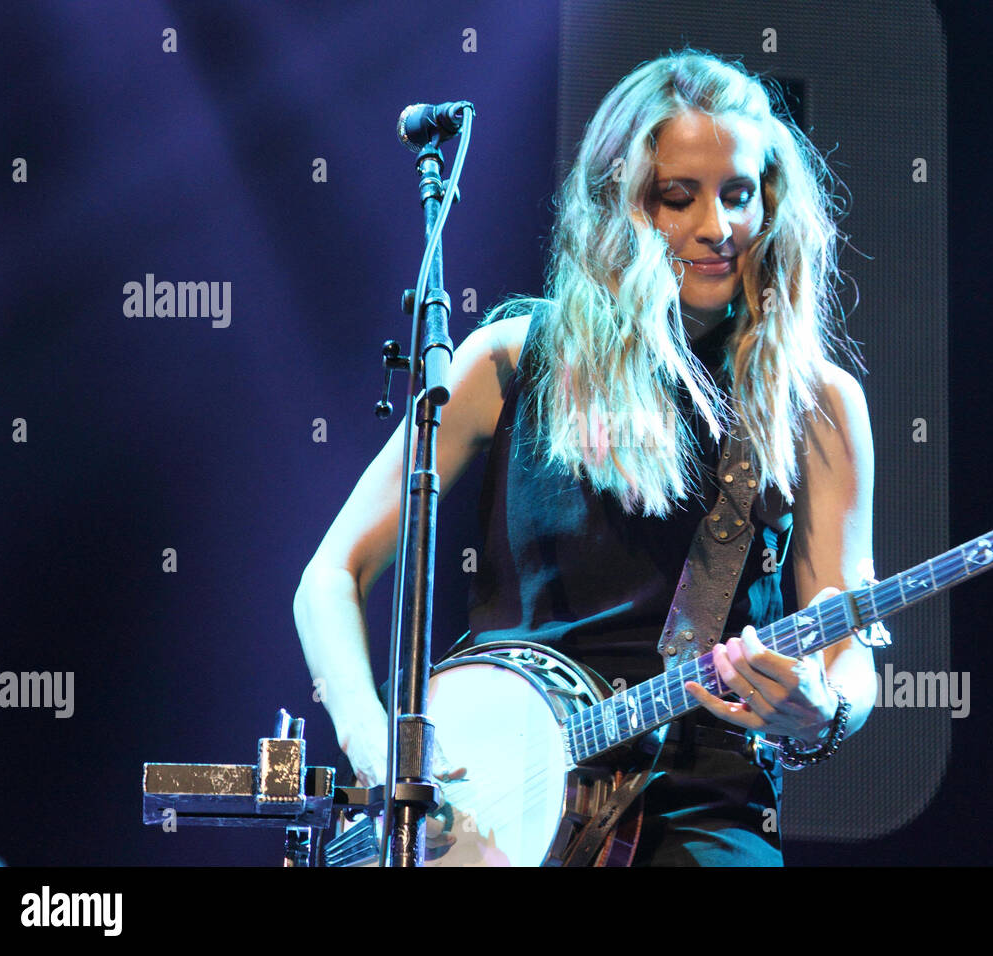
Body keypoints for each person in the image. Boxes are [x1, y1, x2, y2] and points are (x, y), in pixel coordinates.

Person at [293, 48, 882, 866]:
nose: (719, 227)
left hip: (696, 807)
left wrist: (825, 708)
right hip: (490, 810)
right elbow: (330, 576)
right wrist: (373, 747)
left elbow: (850, 648)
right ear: (619, 206)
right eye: (680, 197)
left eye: (740, 194)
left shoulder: (813, 401)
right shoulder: (507, 360)